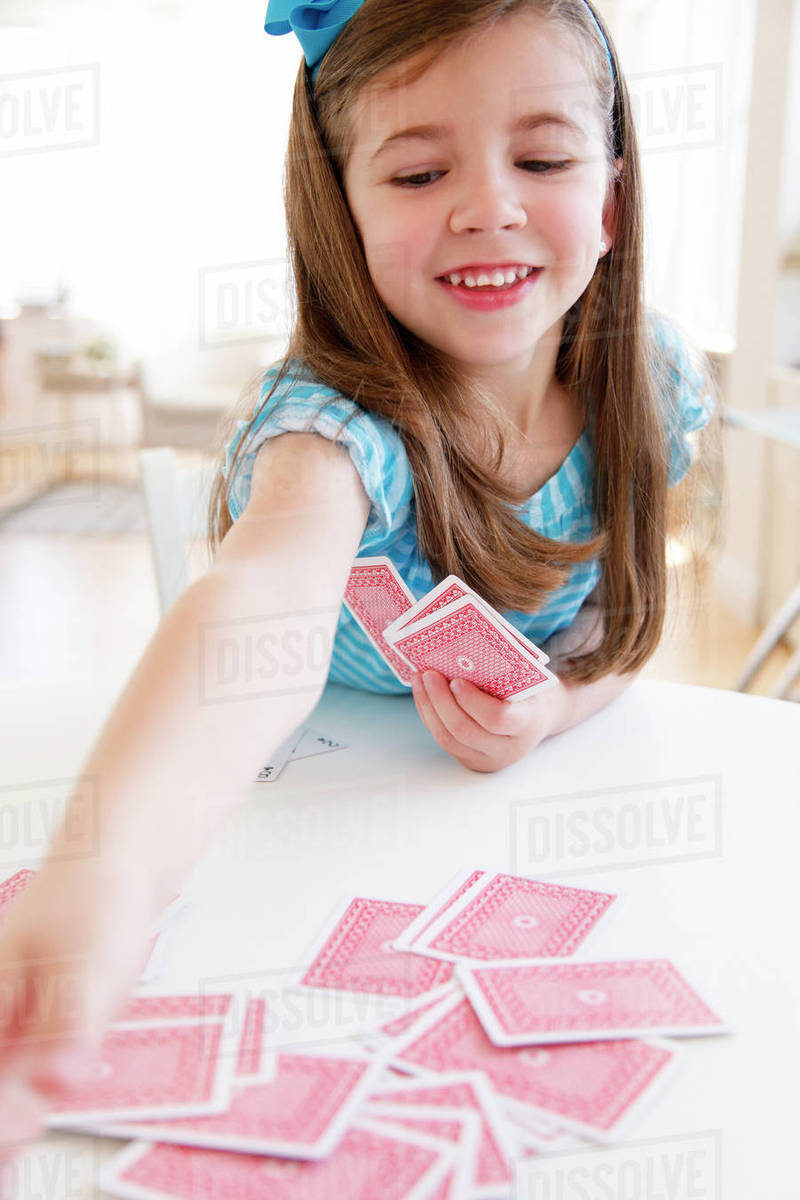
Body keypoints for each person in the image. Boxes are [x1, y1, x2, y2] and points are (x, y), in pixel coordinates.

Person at [0, 0, 716, 1148]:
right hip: (297, 813)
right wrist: (108, 880)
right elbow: (257, 610)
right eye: (418, 172)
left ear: (613, 199)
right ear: (339, 213)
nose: (487, 207)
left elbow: (617, 637)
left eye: (539, 157)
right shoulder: (330, 433)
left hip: (512, 818)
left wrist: (555, 707)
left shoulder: (654, 380)